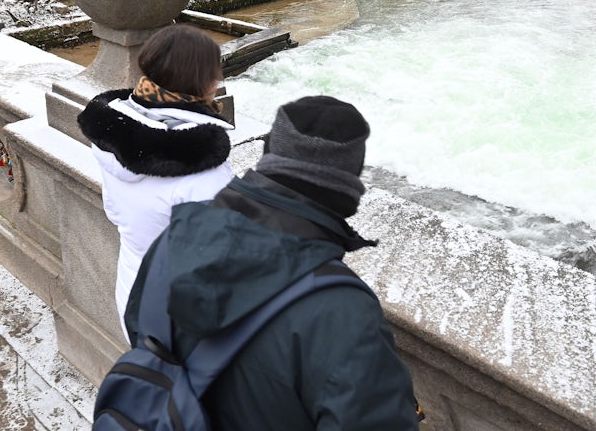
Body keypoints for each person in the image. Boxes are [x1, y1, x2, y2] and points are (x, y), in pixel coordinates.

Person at [124, 95, 420, 430]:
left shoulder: (176, 237)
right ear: (349, 189)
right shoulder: (344, 312)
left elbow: (139, 332)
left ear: (268, 154)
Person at [77, 23, 234, 338]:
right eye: (215, 74)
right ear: (200, 82)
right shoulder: (203, 177)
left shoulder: (115, 132)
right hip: (182, 317)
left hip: (133, 288)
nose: (219, 81)